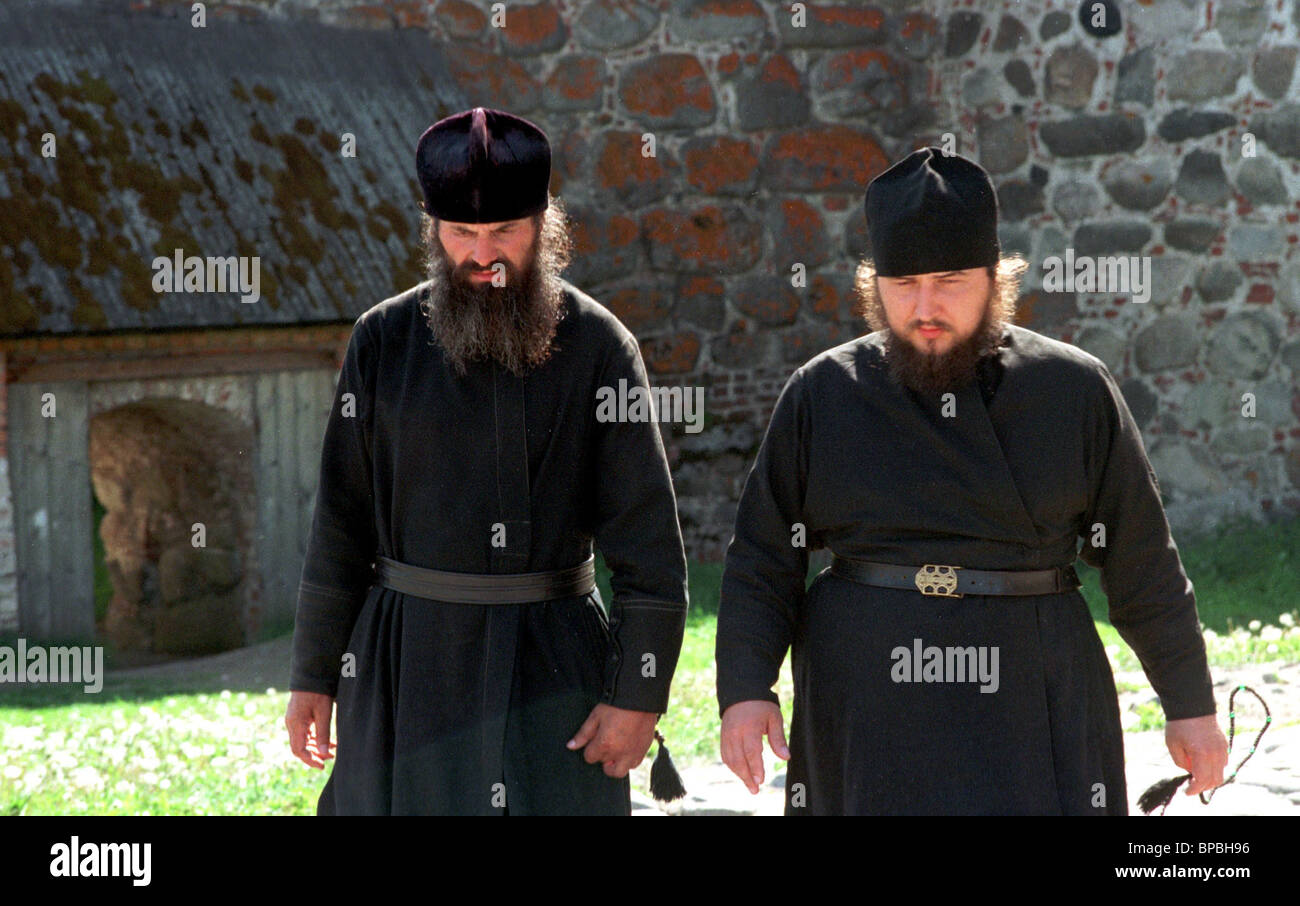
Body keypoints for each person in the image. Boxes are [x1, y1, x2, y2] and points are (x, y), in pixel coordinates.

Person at [715, 147, 1228, 815]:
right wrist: (747, 690)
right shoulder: (823, 392)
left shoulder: (1071, 389)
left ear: (994, 279)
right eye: (904, 285)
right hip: (869, 692)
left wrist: (1190, 706)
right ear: (875, 287)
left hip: (1031, 685)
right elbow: (762, 556)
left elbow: (1141, 562)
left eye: (950, 280)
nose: (925, 307)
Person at [284, 107, 688, 815]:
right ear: (434, 231)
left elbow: (648, 545)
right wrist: (314, 675)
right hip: (406, 670)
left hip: (554, 670)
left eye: (505, 230)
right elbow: (340, 526)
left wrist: (638, 696)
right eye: (462, 233)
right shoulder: (382, 342)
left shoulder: (599, 346)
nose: (483, 253)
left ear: (544, 226)